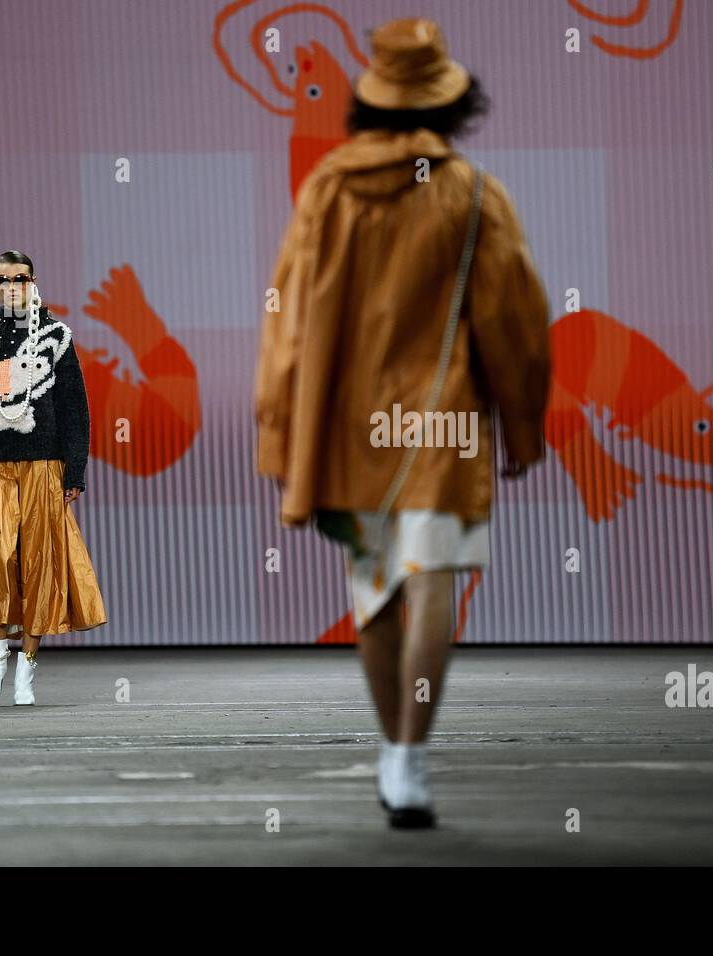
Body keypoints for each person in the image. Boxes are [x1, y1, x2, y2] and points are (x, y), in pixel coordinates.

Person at [254, 18, 551, 828]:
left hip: (350, 428)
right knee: (435, 584)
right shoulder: (473, 194)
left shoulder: (327, 189)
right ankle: (411, 759)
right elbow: (516, 322)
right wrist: (523, 428)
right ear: (455, 104)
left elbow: (286, 324)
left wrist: (281, 431)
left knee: (376, 591)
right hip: (443, 420)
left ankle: (394, 755)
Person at [0, 250, 107, 703]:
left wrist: (74, 470)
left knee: (40, 565)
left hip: (44, 466)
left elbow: (75, 410)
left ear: (33, 281)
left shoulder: (56, 337)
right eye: (2, 280)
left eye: (18, 278)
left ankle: (28, 667)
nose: (11, 287)